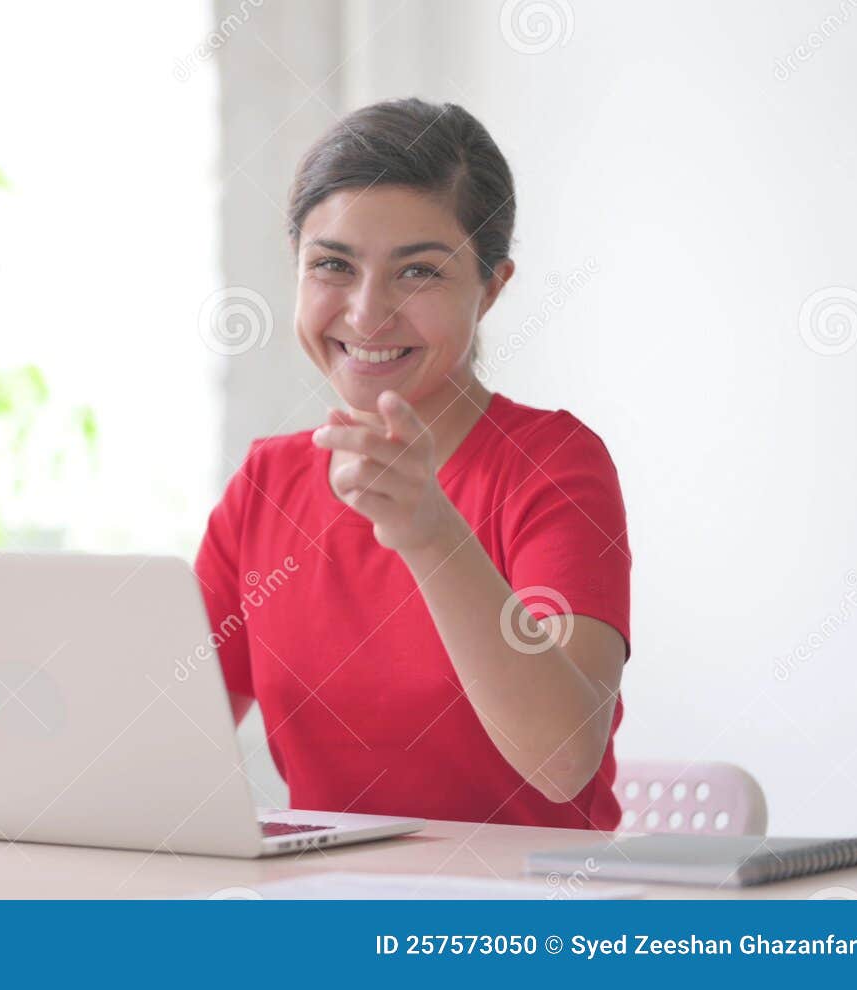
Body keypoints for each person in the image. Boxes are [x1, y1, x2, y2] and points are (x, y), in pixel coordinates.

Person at [194, 98, 630, 829]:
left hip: (521, 919)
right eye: (333, 264)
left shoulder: (553, 467)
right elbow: (160, 742)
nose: (367, 314)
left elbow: (562, 762)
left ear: (491, 288)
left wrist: (432, 533)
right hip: (323, 914)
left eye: (419, 273)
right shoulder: (267, 484)